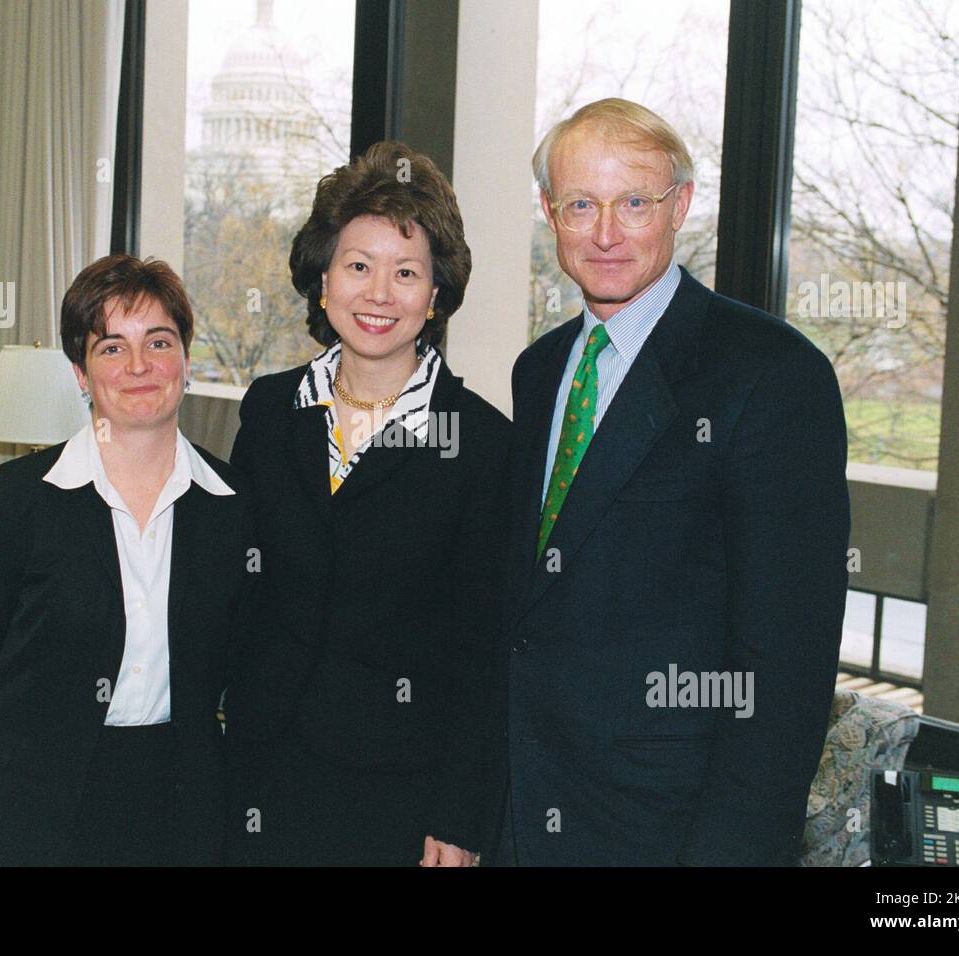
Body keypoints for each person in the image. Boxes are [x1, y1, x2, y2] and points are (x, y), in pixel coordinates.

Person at [491, 98, 851, 865]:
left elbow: (785, 663)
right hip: (525, 813)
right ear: (551, 214)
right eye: (581, 204)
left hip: (668, 831)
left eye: (635, 203)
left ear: (680, 205)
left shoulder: (771, 375)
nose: (607, 233)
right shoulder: (540, 370)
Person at [223, 141, 510, 866]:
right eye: (358, 266)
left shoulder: (481, 444)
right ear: (323, 282)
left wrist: (461, 813)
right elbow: (237, 587)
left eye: (406, 272)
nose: (379, 293)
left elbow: (487, 647)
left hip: (401, 794)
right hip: (260, 766)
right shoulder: (270, 410)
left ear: (436, 295)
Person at [0, 254, 254, 866]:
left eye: (158, 341)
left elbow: (243, 657)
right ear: (80, 372)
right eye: (110, 347)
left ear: (185, 358)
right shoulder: (12, 499)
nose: (138, 366)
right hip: (26, 795)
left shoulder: (233, 507)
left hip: (178, 796)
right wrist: (29, 734)